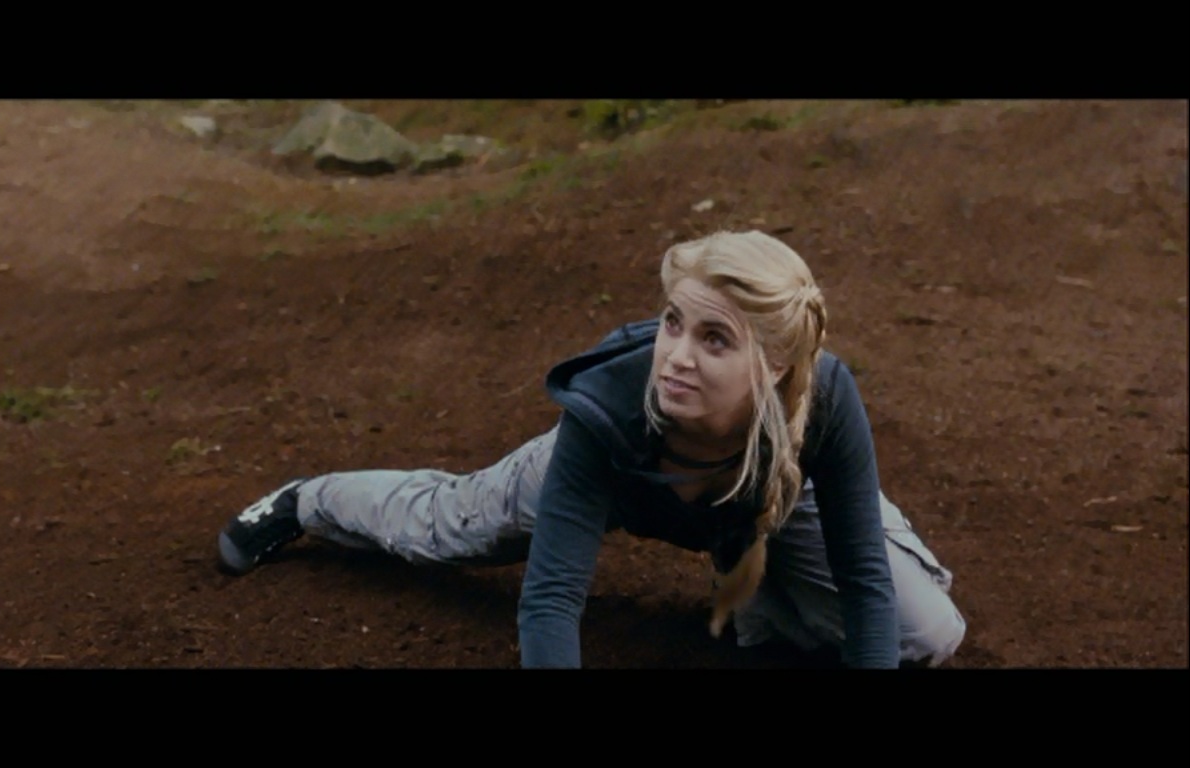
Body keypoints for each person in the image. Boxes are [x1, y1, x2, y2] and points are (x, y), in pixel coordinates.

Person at [215, 230, 967, 669]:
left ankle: (751, 579)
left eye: (714, 340)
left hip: (768, 483)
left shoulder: (822, 400)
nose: (675, 357)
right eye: (672, 322)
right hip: (618, 464)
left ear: (772, 365)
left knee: (928, 633)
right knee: (448, 524)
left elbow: (865, 581)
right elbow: (550, 601)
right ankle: (306, 499)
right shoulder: (604, 406)